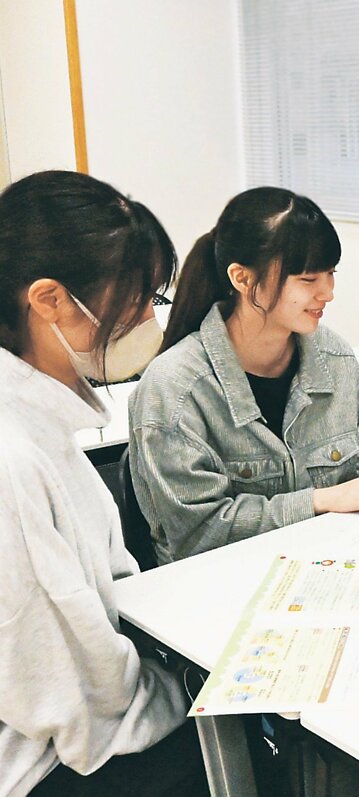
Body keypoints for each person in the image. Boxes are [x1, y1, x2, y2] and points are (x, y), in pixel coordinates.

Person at [0, 171, 205, 796]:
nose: (147, 317)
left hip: (105, 698)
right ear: (50, 300)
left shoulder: (43, 421)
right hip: (51, 761)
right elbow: (69, 694)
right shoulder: (12, 457)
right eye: (135, 299)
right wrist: (182, 693)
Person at [129, 187, 359, 564]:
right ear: (242, 278)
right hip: (216, 587)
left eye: (330, 274)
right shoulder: (175, 387)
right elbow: (198, 532)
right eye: (307, 279)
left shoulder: (336, 359)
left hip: (331, 568)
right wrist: (317, 502)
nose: (328, 293)